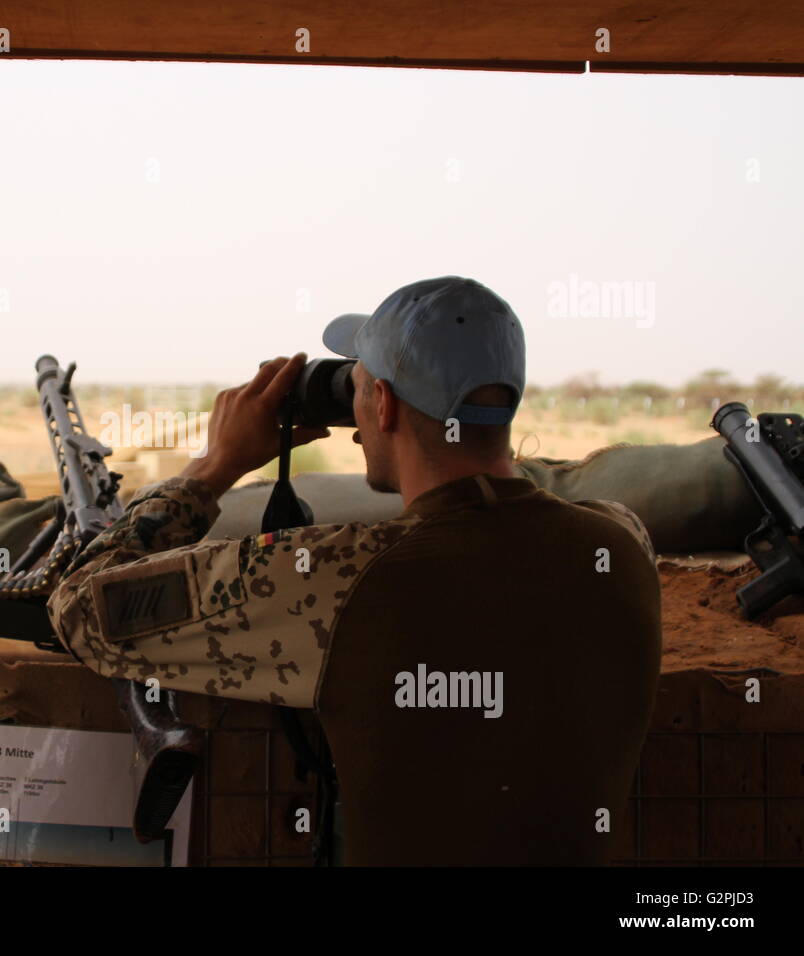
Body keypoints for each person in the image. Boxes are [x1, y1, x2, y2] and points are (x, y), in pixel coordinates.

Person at [47, 276, 662, 865]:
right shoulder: (623, 543)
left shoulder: (340, 578)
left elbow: (80, 606)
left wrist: (214, 467)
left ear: (385, 405)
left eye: (358, 387)